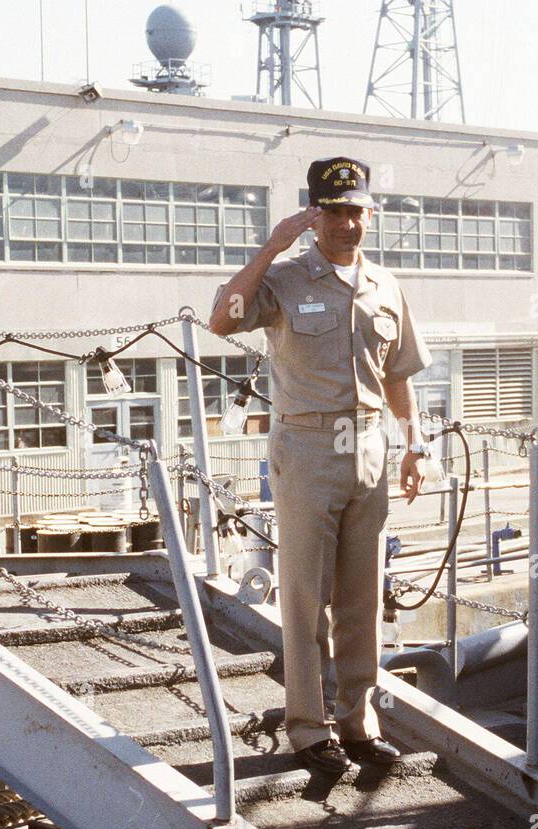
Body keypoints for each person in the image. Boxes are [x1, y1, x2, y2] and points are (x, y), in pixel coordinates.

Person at [209, 157, 433, 774]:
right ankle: (308, 729)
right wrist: (271, 246)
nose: (346, 223)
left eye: (356, 211)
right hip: (307, 450)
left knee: (362, 598)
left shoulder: (385, 286)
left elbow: (399, 375)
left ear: (370, 215)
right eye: (333, 212)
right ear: (314, 217)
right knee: (306, 600)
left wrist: (415, 444)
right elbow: (222, 318)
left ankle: (360, 723)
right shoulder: (284, 278)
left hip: (369, 450)